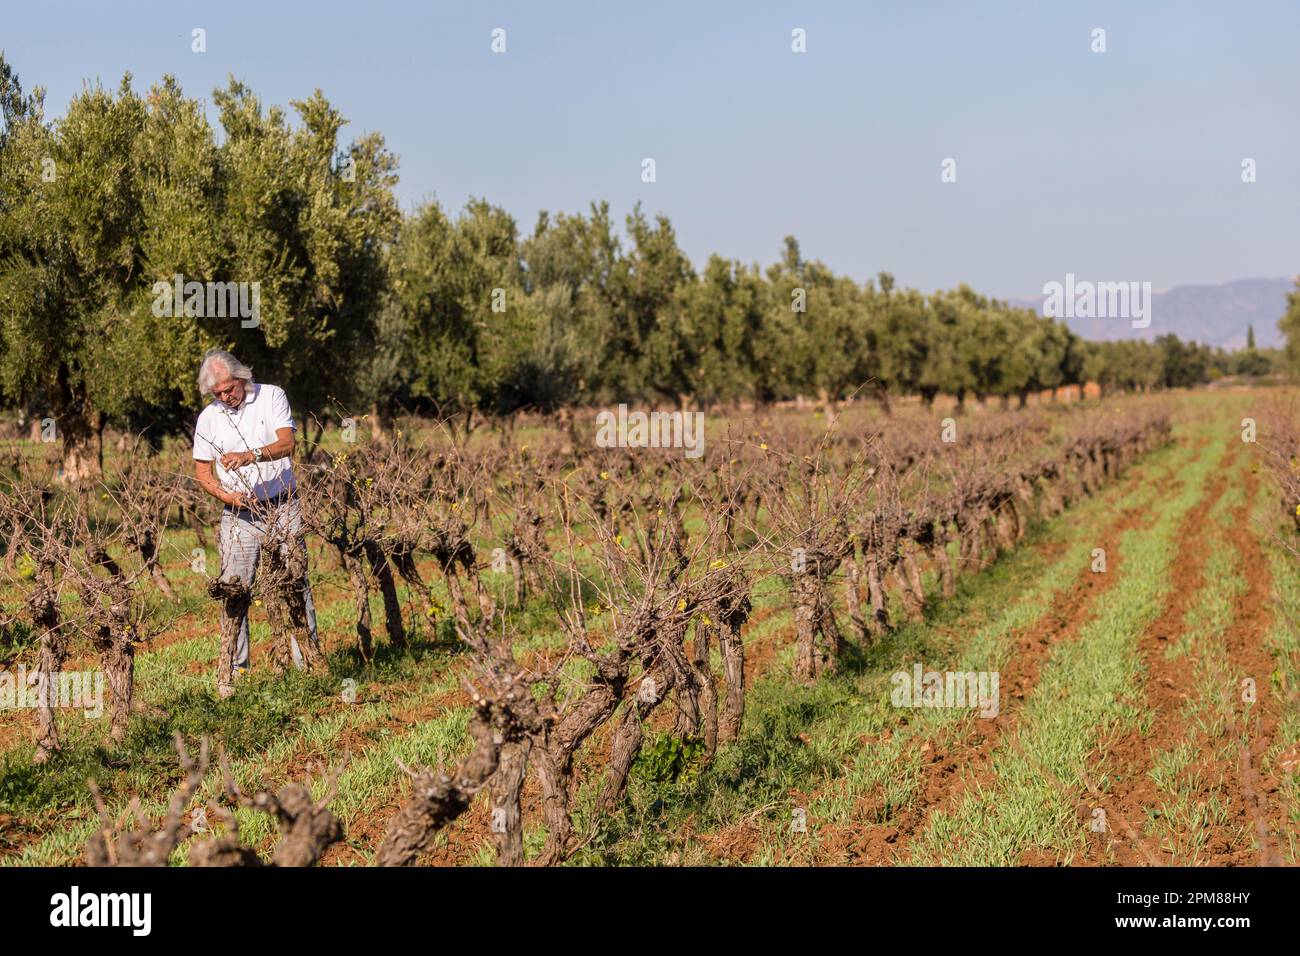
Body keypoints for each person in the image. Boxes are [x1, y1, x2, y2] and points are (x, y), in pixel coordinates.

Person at [191, 349, 320, 697]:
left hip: (282, 506)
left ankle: (306, 662)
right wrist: (228, 497)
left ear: (242, 377)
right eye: (217, 394)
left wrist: (250, 456)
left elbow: (287, 443)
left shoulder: (271, 396)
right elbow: (203, 473)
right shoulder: (209, 418)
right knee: (234, 591)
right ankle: (235, 671)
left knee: (294, 583)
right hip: (238, 514)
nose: (225, 398)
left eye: (229, 389)